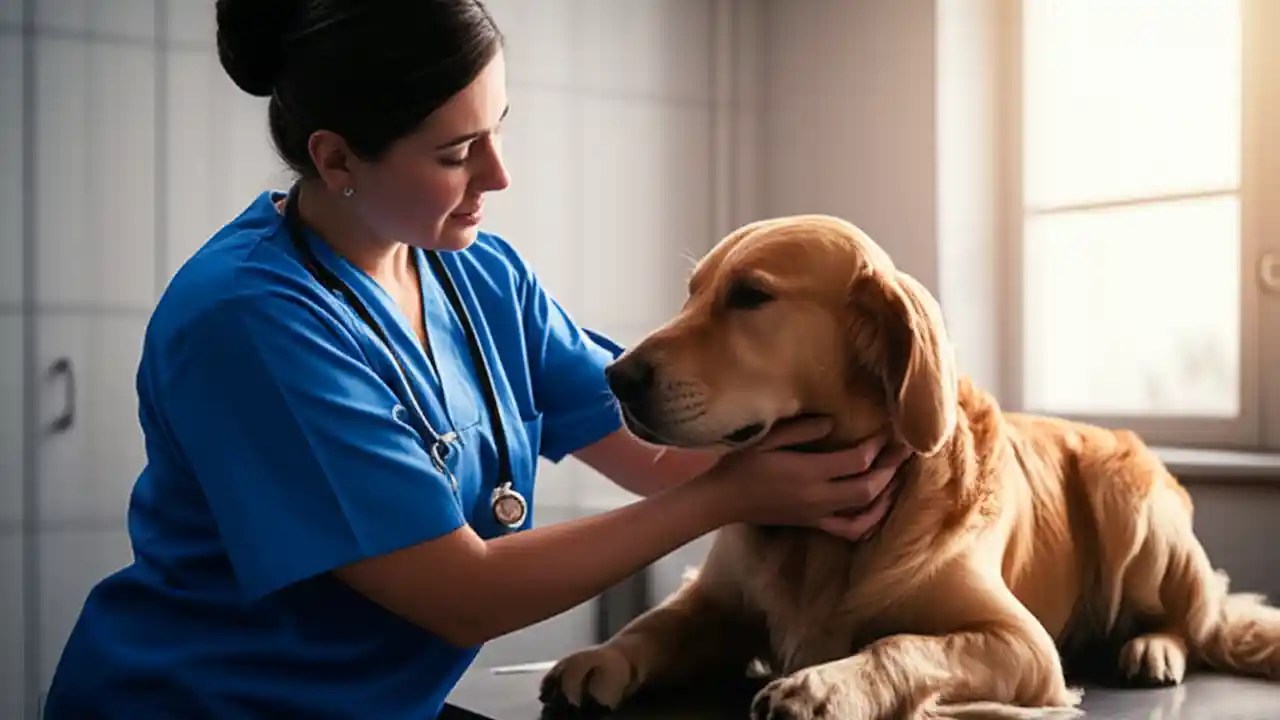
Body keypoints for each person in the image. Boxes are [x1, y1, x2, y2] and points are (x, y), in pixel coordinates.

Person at [41, 1, 910, 718]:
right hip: (209, 703)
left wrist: (850, 423)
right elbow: (462, 592)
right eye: (456, 153)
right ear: (336, 158)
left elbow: (652, 451)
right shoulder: (250, 321)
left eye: (497, 129)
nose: (498, 175)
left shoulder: (477, 272)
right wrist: (732, 495)